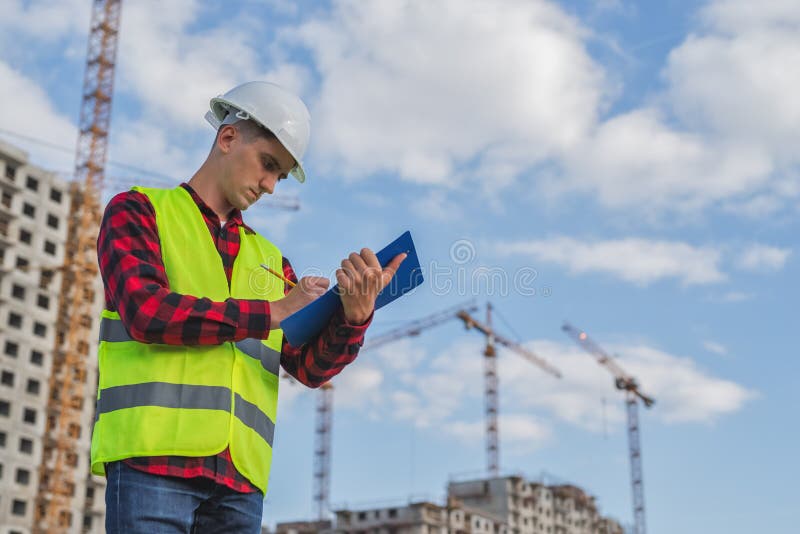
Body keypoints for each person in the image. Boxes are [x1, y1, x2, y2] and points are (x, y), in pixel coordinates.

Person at [91, 81, 406, 533]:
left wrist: (354, 318)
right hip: (152, 462)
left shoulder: (273, 263)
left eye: (281, 176)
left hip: (239, 484)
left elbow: (307, 367)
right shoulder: (139, 211)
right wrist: (271, 312)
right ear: (228, 137)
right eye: (268, 164)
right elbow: (147, 311)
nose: (271, 186)